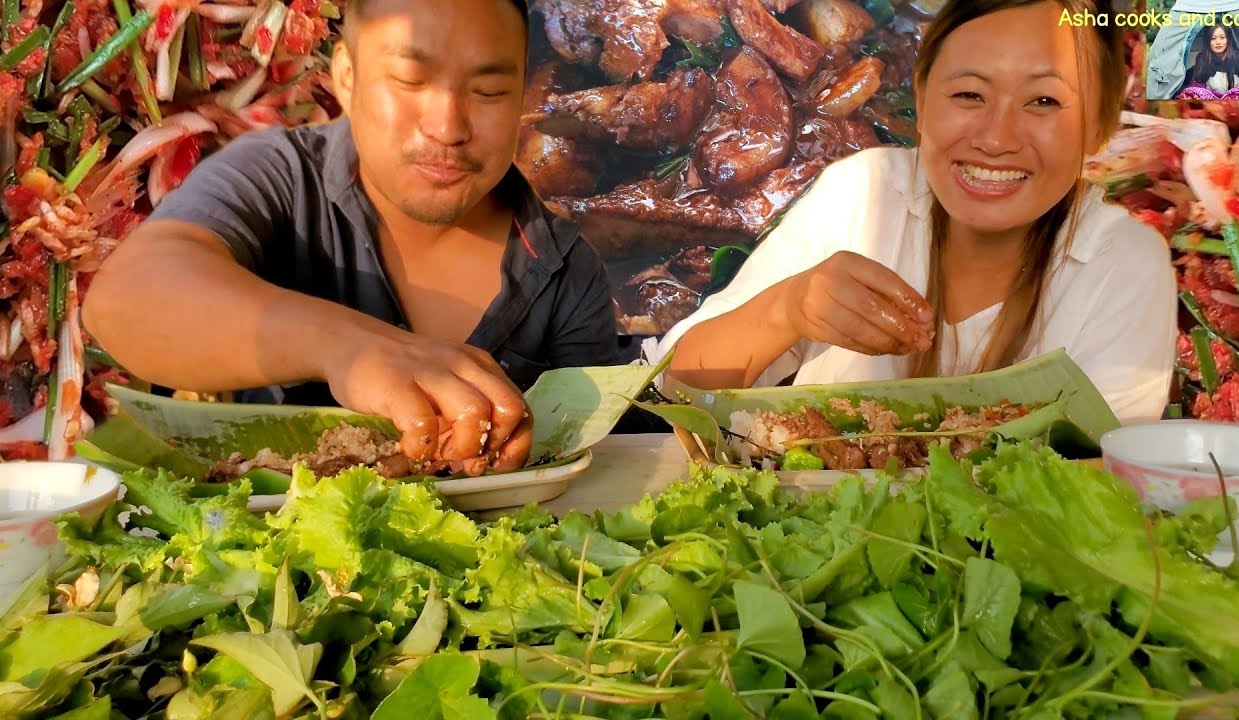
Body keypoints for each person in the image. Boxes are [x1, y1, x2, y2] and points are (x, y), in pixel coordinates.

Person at [81, 0, 619, 475]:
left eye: (489, 91)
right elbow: (125, 298)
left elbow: (588, 468)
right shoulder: (280, 177)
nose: (448, 126)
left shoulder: (566, 269)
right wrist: (351, 351)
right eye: (410, 81)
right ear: (347, 77)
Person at [655, 0, 1178, 425]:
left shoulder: (1122, 263)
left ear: (1099, 127)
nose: (996, 139)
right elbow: (679, 386)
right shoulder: (863, 192)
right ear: (923, 102)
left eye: (1043, 102)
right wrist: (788, 308)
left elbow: (1104, 487)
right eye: (970, 94)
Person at [1178, 25, 1239, 99]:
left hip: (1235, 98)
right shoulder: (1202, 58)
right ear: (1208, 41)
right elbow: (1198, 86)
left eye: (1222, 37)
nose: (1218, 42)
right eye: (1213, 38)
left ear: (1228, 39)